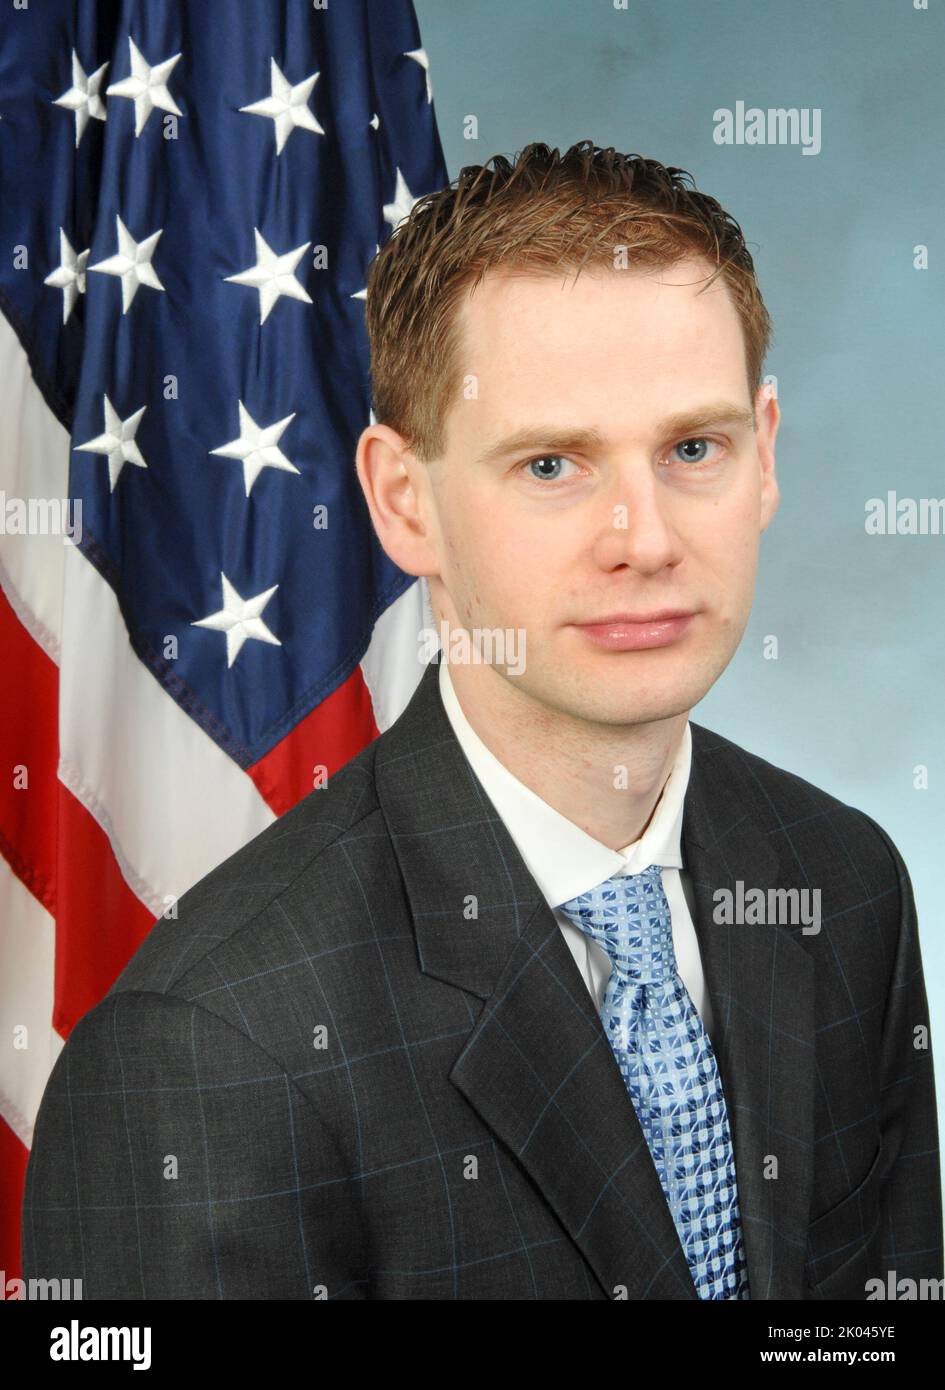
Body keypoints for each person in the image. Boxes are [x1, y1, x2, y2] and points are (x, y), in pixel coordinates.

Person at [22, 141, 942, 1300]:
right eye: (552, 463)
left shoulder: (844, 883)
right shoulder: (208, 1048)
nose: (644, 536)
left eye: (693, 448)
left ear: (766, 456)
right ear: (405, 501)